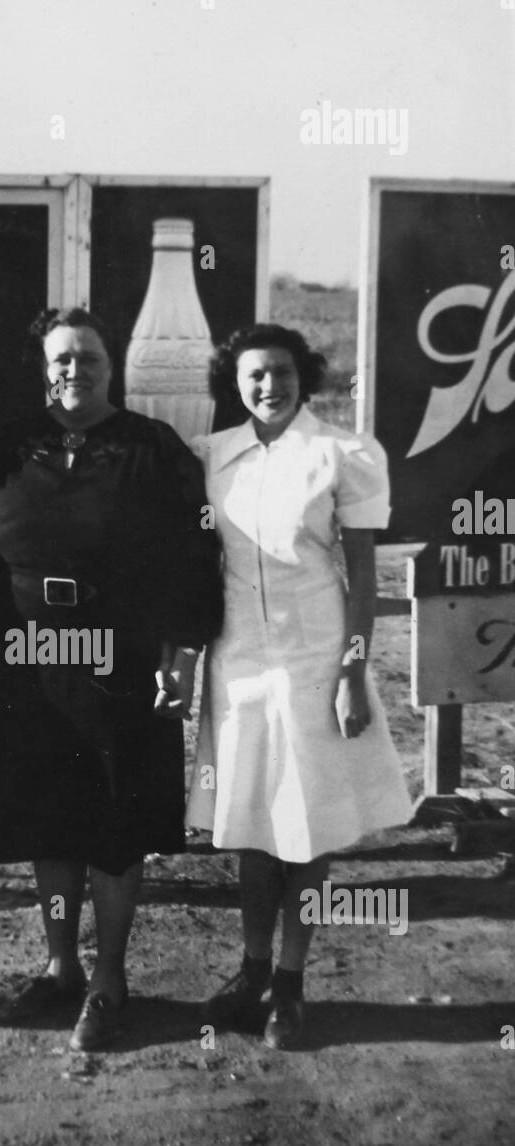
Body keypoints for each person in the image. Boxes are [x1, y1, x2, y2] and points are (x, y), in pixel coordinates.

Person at [0, 306, 223, 1052]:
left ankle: (109, 976)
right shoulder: (6, 447)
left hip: (120, 651)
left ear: (113, 367)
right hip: (28, 655)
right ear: (45, 365)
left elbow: (193, 558)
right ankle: (59, 964)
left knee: (113, 814)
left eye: (89, 359)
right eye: (62, 359)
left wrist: (183, 650)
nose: (74, 371)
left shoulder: (152, 448)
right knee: (45, 810)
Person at [186, 323, 413, 1049]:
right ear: (235, 383)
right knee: (251, 824)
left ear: (301, 375)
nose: (267, 386)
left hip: (316, 660)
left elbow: (362, 578)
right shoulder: (213, 456)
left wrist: (351, 670)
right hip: (238, 665)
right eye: (252, 375)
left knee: (306, 830)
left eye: (280, 372)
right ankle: (251, 971)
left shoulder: (341, 453)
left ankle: (290, 984)